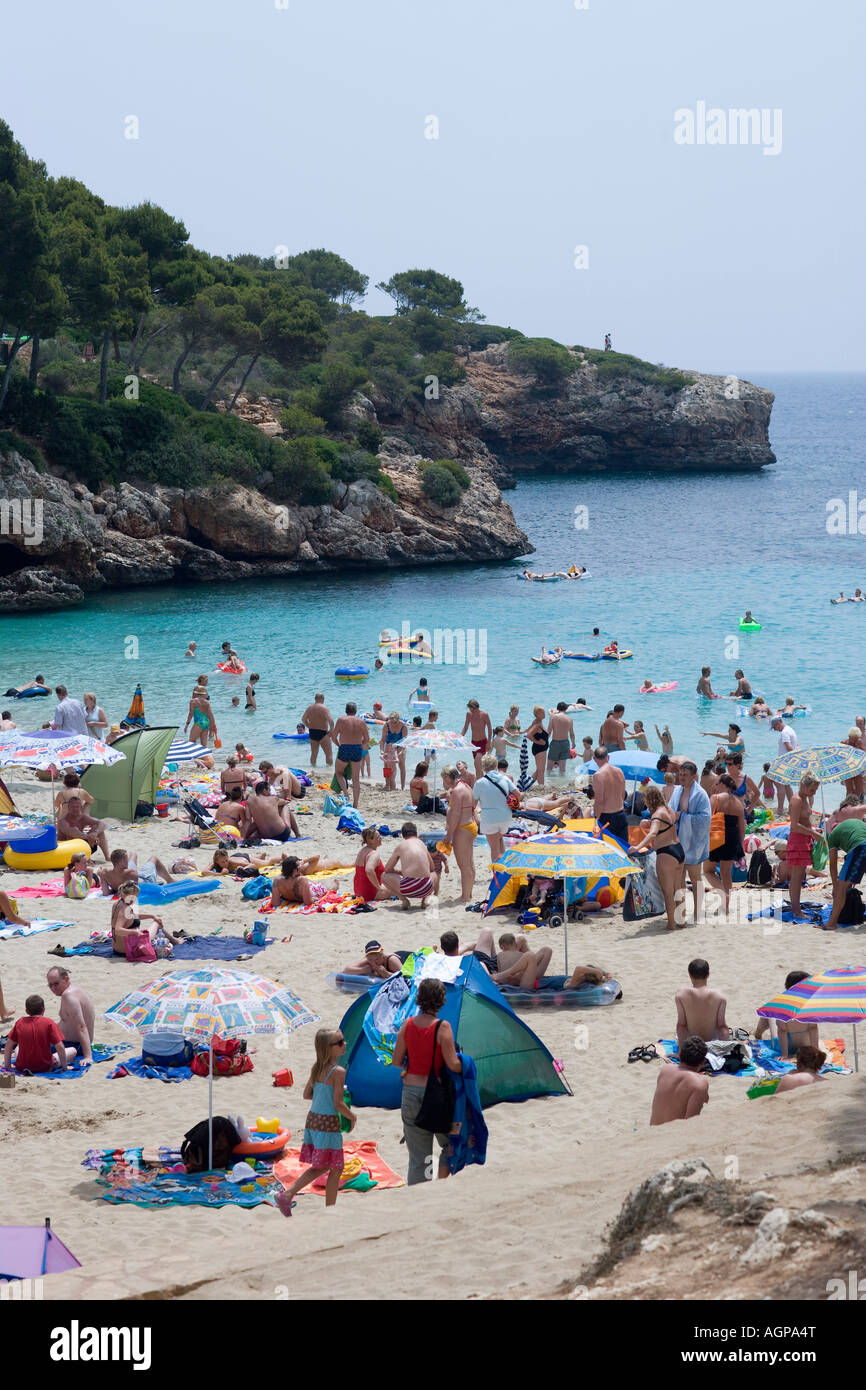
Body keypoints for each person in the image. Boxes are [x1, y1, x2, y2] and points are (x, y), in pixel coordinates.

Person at [275, 1028, 356, 1214]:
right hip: (328, 1123)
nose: (344, 1044)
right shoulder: (338, 1072)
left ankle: (290, 1195)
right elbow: (338, 1103)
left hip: (313, 1120)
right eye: (340, 1042)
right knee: (335, 1167)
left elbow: (306, 1094)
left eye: (343, 1040)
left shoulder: (317, 1068)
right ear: (329, 1048)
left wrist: (323, 1096)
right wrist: (352, 1116)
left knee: (324, 1165)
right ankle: (327, 1209)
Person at [392, 978, 462, 1185]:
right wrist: (465, 1061)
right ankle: (441, 1186)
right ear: (441, 1001)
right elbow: (453, 1064)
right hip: (436, 1096)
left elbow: (396, 1061)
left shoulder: (407, 1024)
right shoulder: (443, 1027)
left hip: (411, 1093)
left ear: (419, 999)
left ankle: (417, 1203)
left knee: (418, 1159)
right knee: (451, 1144)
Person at [631, 784, 684, 930]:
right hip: (679, 851)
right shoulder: (669, 810)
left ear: (651, 799)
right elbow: (665, 825)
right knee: (678, 889)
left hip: (666, 853)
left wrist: (637, 846)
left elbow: (653, 834)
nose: (645, 803)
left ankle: (671, 924)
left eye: (646, 800)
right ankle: (682, 921)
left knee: (667, 892)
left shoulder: (657, 815)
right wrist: (650, 823)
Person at [668, 761, 711, 923]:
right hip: (678, 840)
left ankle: (698, 913)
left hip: (694, 843)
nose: (682, 778)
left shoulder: (700, 794)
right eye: (680, 774)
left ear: (694, 776)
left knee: (695, 877)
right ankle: (682, 911)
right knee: (678, 879)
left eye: (686, 775)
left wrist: (683, 817)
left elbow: (705, 819)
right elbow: (670, 810)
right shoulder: (677, 791)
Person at [702, 774, 746, 912]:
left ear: (722, 784)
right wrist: (740, 844)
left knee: (708, 871)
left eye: (716, 783)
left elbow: (706, 819)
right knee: (726, 872)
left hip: (717, 836)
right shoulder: (738, 802)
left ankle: (722, 892)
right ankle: (725, 906)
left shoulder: (715, 798)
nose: (714, 786)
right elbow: (742, 826)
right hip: (733, 838)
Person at [754, 970, 819, 1055]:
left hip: (785, 1046)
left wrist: (785, 1055)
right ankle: (758, 1033)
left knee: (770, 1012)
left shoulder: (783, 1004)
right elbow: (813, 1028)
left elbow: (782, 1030)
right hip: (805, 1045)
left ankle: (758, 1033)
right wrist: (816, 1051)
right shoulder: (811, 1004)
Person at [821, 810, 866, 931]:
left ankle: (831, 923)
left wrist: (836, 886)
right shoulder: (855, 824)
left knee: (841, 887)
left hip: (861, 847)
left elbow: (833, 865)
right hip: (861, 845)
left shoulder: (832, 836)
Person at [785, 774, 822, 917]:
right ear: (804, 786)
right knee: (797, 877)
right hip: (797, 840)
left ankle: (797, 908)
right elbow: (794, 825)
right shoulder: (796, 800)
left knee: (800, 876)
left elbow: (805, 821)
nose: (814, 793)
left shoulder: (806, 798)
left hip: (805, 839)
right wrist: (812, 833)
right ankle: (796, 910)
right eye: (812, 790)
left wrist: (813, 831)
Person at [650, 1036, 710, 1126]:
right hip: (670, 1136)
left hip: (652, 1132)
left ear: (680, 1054)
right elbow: (690, 1123)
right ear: (703, 1061)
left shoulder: (665, 1069)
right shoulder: (699, 1084)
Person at [3, 995, 72, 1072]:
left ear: (27, 1011)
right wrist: (64, 1067)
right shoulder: (49, 1023)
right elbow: (60, 1047)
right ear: (43, 1010)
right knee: (73, 1050)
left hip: (22, 1066)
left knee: (17, 1048)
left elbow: (8, 1045)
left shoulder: (20, 1022)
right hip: (45, 1067)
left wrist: (7, 1066)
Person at [110, 883, 178, 959]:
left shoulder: (117, 903)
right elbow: (118, 930)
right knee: (156, 923)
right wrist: (135, 932)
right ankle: (175, 941)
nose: (134, 899)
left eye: (136, 896)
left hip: (117, 949)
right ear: (125, 895)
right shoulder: (125, 909)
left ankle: (174, 940)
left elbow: (132, 916)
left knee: (155, 921)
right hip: (129, 950)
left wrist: (151, 916)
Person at [473, 753, 517, 866]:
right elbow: (518, 794)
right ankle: (505, 868)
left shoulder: (479, 783)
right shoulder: (505, 779)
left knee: (494, 848)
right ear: (496, 765)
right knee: (499, 840)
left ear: (483, 767)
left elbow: (473, 804)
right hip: (505, 817)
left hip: (489, 818)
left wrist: (476, 816)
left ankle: (497, 874)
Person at [441, 767, 477, 902]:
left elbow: (456, 815)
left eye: (444, 778)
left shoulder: (456, 791)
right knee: (469, 862)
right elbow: (472, 807)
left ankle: (465, 896)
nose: (444, 781)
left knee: (464, 865)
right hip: (470, 826)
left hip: (462, 828)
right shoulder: (466, 786)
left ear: (448, 777)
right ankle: (469, 893)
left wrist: (449, 835)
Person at [46, 966, 94, 1063]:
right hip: (76, 1044)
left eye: (56, 984)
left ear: (66, 979)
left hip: (73, 1046)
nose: (53, 988)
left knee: (30, 1046)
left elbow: (81, 1026)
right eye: (50, 985)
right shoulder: (77, 990)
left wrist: (88, 1056)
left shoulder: (68, 996)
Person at [382, 824, 437, 908]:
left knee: (384, 876)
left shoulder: (401, 846)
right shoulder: (421, 844)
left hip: (408, 889)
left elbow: (387, 869)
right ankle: (426, 899)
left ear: (403, 835)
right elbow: (432, 868)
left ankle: (404, 900)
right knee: (434, 874)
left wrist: (400, 872)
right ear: (416, 833)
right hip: (425, 888)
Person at [676, 958, 729, 1042]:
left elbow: (681, 1025)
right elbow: (722, 1026)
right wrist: (724, 1052)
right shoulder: (720, 996)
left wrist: (680, 1052)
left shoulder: (681, 995)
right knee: (720, 1026)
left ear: (689, 975)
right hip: (711, 1043)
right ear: (708, 975)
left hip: (691, 1044)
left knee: (682, 1027)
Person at [333, 702, 370, 808]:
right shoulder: (361, 721)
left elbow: (334, 736)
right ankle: (356, 804)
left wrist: (338, 745)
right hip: (357, 748)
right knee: (356, 779)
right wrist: (360, 746)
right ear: (355, 711)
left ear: (346, 711)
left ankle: (346, 794)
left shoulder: (341, 720)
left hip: (344, 747)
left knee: (339, 772)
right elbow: (367, 739)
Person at [590, 746, 627, 843]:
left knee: (607, 848)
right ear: (608, 757)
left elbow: (599, 801)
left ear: (594, 759)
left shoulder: (598, 775)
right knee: (623, 849)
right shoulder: (619, 771)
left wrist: (595, 820)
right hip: (621, 814)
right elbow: (623, 795)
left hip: (607, 818)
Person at [270, 856, 338, 909]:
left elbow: (275, 903)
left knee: (315, 884)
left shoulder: (277, 881)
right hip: (310, 892)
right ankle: (334, 886)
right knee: (328, 889)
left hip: (290, 897)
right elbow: (308, 902)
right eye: (299, 866)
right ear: (294, 870)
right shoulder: (302, 880)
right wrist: (313, 899)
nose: (301, 867)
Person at [57, 796, 110, 863]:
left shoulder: (83, 817)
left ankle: (107, 856)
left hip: (83, 847)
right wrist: (89, 837)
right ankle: (86, 859)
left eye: (77, 807)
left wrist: (95, 833)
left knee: (99, 831)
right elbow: (70, 832)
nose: (75, 809)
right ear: (68, 808)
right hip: (66, 849)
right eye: (72, 807)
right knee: (74, 832)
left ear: (81, 808)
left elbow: (102, 823)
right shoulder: (63, 821)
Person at [99, 847, 175, 893]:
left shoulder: (105, 873)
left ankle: (132, 855)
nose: (127, 861)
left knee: (133, 855)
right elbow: (144, 886)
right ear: (122, 861)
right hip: (144, 880)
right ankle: (170, 880)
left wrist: (114, 889)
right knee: (153, 858)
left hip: (123, 875)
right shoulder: (130, 872)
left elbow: (105, 893)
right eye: (126, 859)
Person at [353, 827, 388, 902]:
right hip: (370, 892)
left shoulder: (362, 851)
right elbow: (369, 870)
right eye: (378, 837)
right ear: (370, 840)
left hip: (358, 891)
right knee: (399, 885)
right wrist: (379, 887)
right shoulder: (374, 854)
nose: (381, 838)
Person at [301, 694, 335, 768]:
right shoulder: (324, 708)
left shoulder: (309, 708)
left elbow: (303, 719)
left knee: (314, 754)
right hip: (322, 733)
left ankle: (313, 769)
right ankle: (329, 771)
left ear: (315, 699)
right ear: (322, 699)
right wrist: (331, 730)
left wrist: (309, 726)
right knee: (328, 755)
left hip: (312, 733)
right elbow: (331, 721)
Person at [203, 845, 284, 875]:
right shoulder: (214, 862)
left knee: (267, 863)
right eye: (222, 862)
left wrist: (242, 869)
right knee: (257, 859)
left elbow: (252, 865)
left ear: (227, 858)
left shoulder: (232, 863)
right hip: (237, 856)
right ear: (217, 861)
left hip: (244, 859)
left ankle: (282, 857)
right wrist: (220, 874)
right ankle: (259, 856)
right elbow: (204, 871)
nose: (225, 864)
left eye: (226, 860)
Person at [462, 699, 493, 775]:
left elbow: (490, 729)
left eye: (471, 708)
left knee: (477, 762)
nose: (470, 710)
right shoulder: (469, 714)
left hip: (482, 742)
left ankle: (480, 782)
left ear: (476, 707)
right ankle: (481, 782)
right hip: (473, 743)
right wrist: (460, 737)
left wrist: (489, 742)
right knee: (478, 767)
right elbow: (465, 727)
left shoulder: (484, 714)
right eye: (469, 708)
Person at [382, 711, 409, 790]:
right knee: (386, 764)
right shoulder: (386, 725)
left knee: (401, 763)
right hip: (389, 743)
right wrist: (382, 752)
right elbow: (382, 740)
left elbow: (405, 742)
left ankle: (403, 786)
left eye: (395, 722)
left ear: (398, 720)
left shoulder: (404, 726)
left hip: (400, 744)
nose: (393, 724)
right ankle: (387, 784)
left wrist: (402, 751)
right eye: (392, 722)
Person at [547, 702, 576, 774]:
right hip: (566, 743)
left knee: (550, 765)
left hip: (555, 742)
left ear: (557, 709)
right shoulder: (569, 719)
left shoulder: (553, 717)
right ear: (566, 709)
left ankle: (549, 781)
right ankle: (562, 783)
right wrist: (573, 743)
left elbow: (549, 731)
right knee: (562, 767)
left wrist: (544, 742)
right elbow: (572, 734)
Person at [525, 705, 549, 786]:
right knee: (541, 770)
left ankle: (528, 784)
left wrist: (521, 732)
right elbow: (528, 735)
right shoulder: (537, 724)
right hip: (539, 749)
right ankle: (541, 786)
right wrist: (538, 742)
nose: (544, 713)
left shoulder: (537, 722)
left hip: (540, 749)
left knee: (539, 770)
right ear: (537, 714)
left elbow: (528, 730)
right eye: (542, 712)